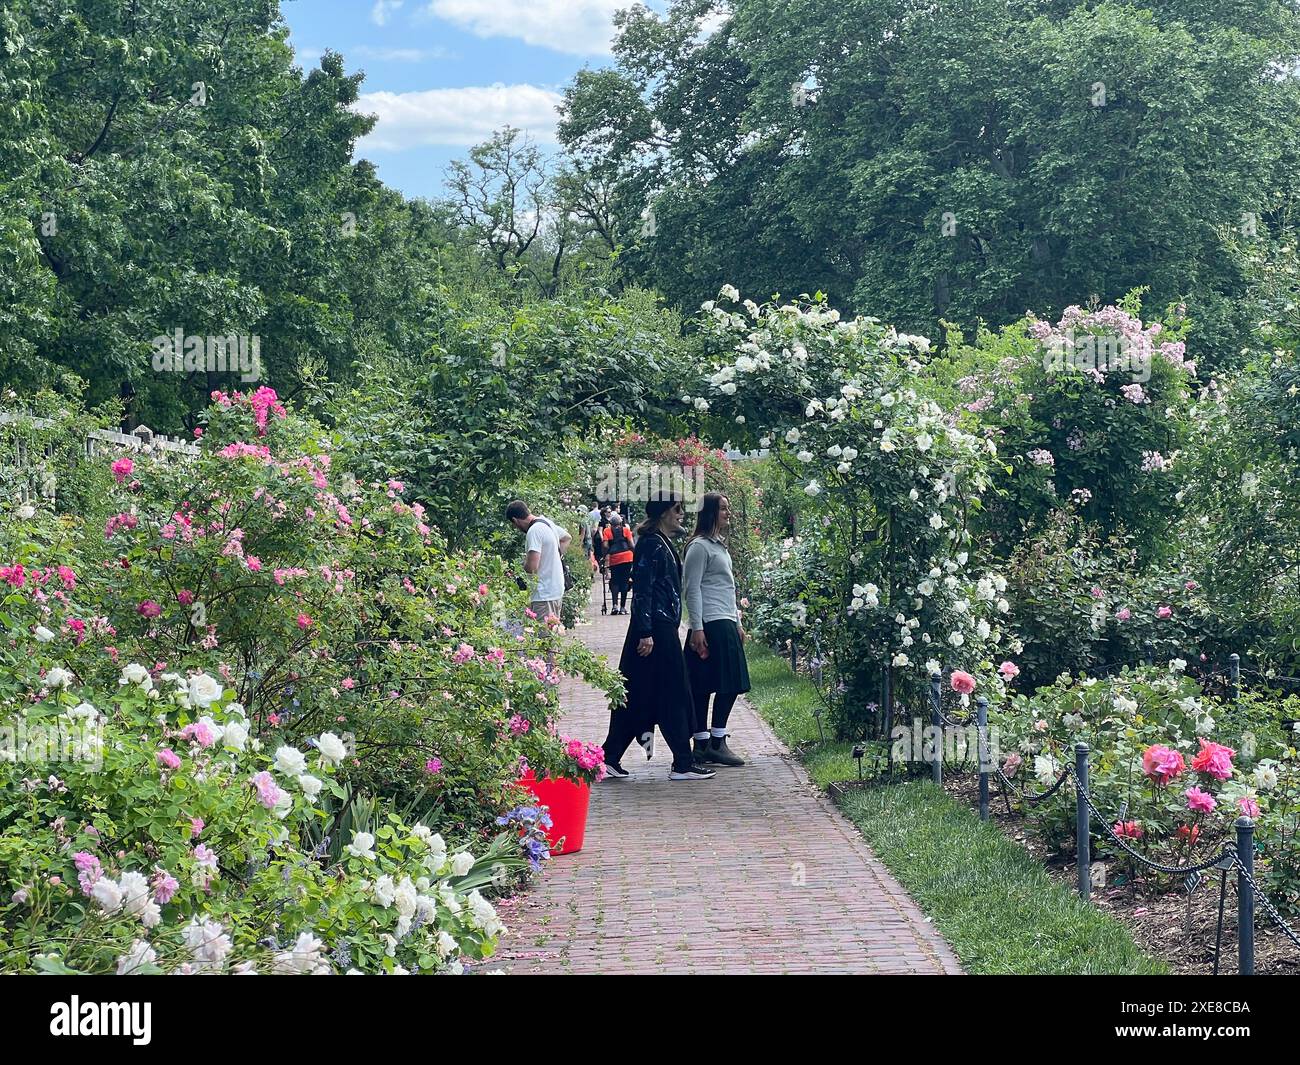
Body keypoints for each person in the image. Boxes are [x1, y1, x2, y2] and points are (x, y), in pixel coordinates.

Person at [601, 495, 715, 781]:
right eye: (677, 511)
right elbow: (643, 590)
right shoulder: (651, 545)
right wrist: (645, 631)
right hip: (655, 632)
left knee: (642, 694)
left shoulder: (660, 542)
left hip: (659, 628)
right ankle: (682, 762)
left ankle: (610, 756)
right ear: (665, 512)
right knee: (672, 692)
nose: (681, 516)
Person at [683, 493, 750, 767]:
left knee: (729, 682)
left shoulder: (719, 546)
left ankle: (714, 740)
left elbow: (727, 589)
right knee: (705, 685)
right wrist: (697, 628)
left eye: (728, 508)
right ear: (709, 513)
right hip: (710, 622)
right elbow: (692, 588)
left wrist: (738, 621)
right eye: (723, 508)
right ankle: (706, 742)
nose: (728, 513)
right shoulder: (699, 547)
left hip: (725, 620)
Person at [504, 500, 570, 623]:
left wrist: (520, 569)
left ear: (515, 520)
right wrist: (553, 557)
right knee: (552, 633)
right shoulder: (546, 523)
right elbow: (566, 538)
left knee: (544, 637)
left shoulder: (534, 531)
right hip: (555, 589)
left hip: (544, 593)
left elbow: (532, 567)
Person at [603, 512, 635, 614]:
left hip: (615, 558)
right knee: (625, 581)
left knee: (615, 581)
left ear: (610, 523)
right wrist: (636, 554)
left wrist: (607, 555)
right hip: (627, 557)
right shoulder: (626, 530)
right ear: (620, 523)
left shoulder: (607, 531)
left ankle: (614, 606)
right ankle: (623, 607)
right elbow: (631, 544)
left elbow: (605, 545)